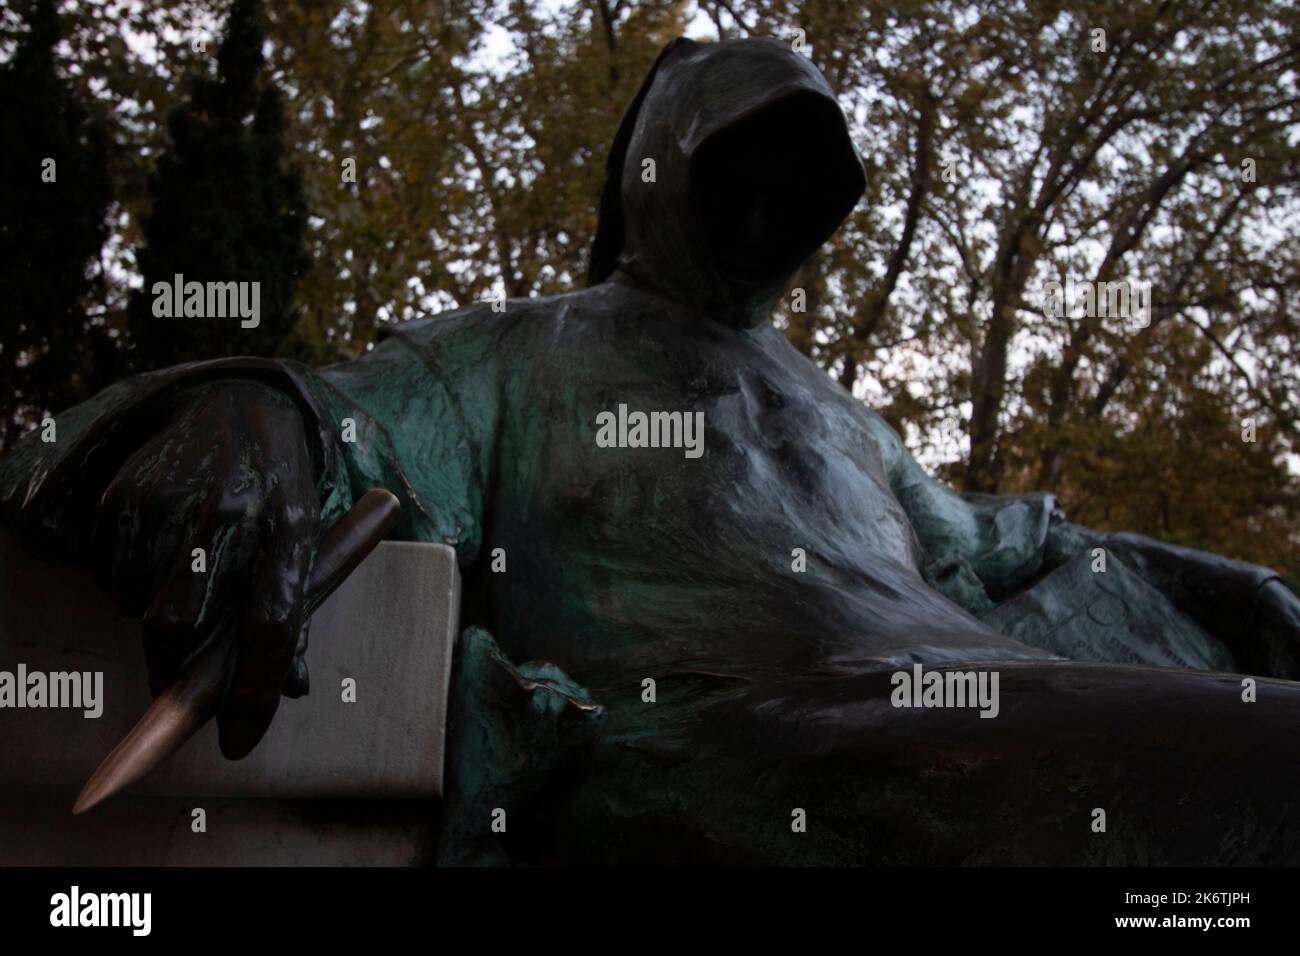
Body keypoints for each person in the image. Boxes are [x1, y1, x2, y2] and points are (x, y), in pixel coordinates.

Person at [3, 37, 1298, 865]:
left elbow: (1005, 543)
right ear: (654, 177)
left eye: (793, 177)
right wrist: (251, 411)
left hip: (960, 692)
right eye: (735, 162)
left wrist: (1222, 592)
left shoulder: (846, 417)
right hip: (728, 732)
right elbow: (358, 416)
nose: (761, 204)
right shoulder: (526, 348)